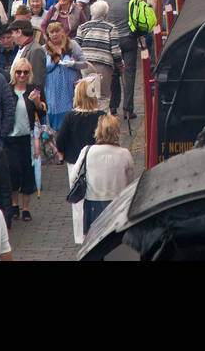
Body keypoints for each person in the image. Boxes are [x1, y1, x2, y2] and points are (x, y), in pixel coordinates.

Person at [71, 114, 136, 244]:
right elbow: (131, 183)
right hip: (118, 205)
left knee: (94, 245)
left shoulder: (87, 151)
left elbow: (73, 177)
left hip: (93, 205)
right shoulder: (125, 154)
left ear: (98, 130)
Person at [7, 57, 46, 223]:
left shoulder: (35, 89)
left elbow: (43, 114)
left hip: (27, 137)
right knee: (13, 171)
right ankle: (14, 204)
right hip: (10, 137)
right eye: (19, 72)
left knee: (27, 172)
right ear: (14, 73)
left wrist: (37, 103)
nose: (22, 75)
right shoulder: (8, 90)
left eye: (25, 72)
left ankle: (26, 208)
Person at [78, 0, 123, 112]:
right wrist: (120, 65)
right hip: (104, 65)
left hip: (86, 64)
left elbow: (77, 47)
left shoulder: (83, 27)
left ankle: (90, 120)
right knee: (103, 96)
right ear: (105, 13)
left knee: (89, 95)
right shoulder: (111, 28)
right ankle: (102, 122)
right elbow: (115, 51)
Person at [43, 22, 88, 130]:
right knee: (56, 126)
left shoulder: (72, 44)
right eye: (52, 32)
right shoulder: (44, 49)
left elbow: (85, 64)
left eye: (57, 31)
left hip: (69, 88)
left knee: (73, 121)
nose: (54, 34)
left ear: (62, 31)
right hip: (52, 91)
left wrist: (74, 64)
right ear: (48, 34)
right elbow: (41, 70)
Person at [56, 79, 105, 167]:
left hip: (74, 160)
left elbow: (60, 138)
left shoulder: (70, 116)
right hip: (96, 159)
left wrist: (61, 152)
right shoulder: (101, 116)